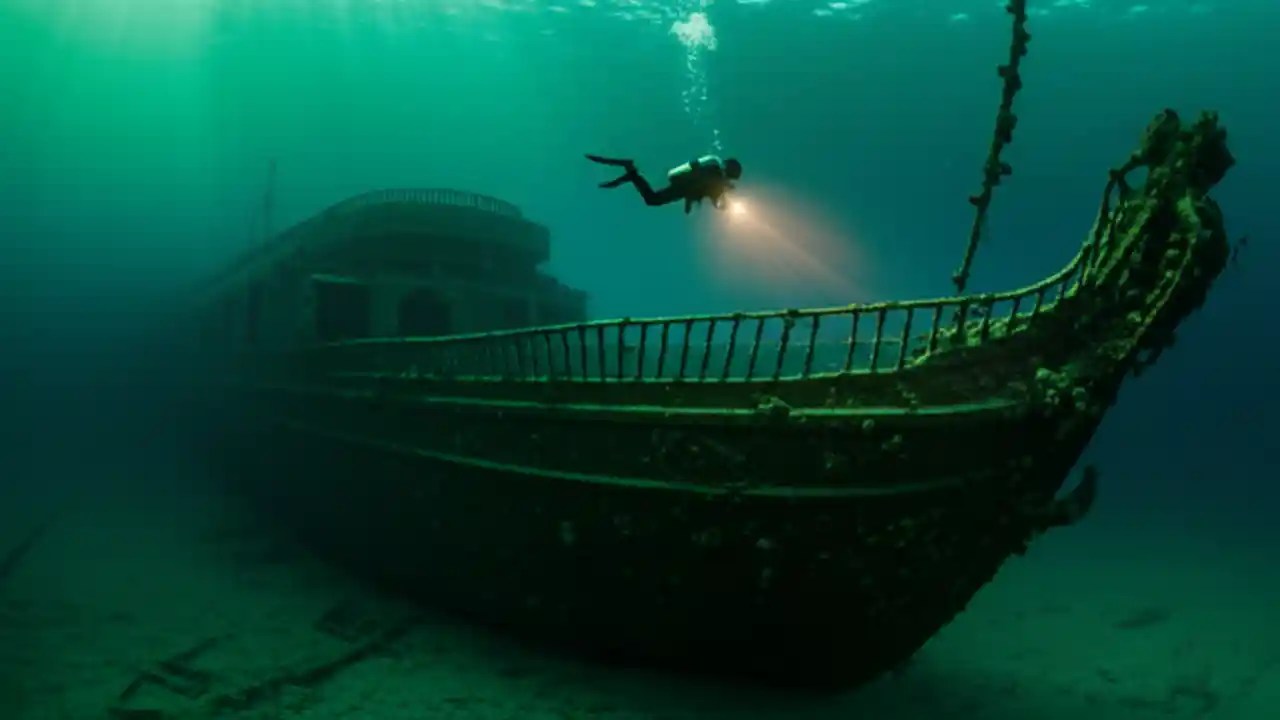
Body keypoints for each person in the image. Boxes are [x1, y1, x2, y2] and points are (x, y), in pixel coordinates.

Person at [586, 153, 742, 214]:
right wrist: (723, 204)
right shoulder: (716, 178)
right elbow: (709, 194)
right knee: (652, 200)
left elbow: (702, 190)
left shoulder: (713, 171)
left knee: (652, 199)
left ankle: (632, 174)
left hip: (680, 185)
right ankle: (631, 172)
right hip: (680, 188)